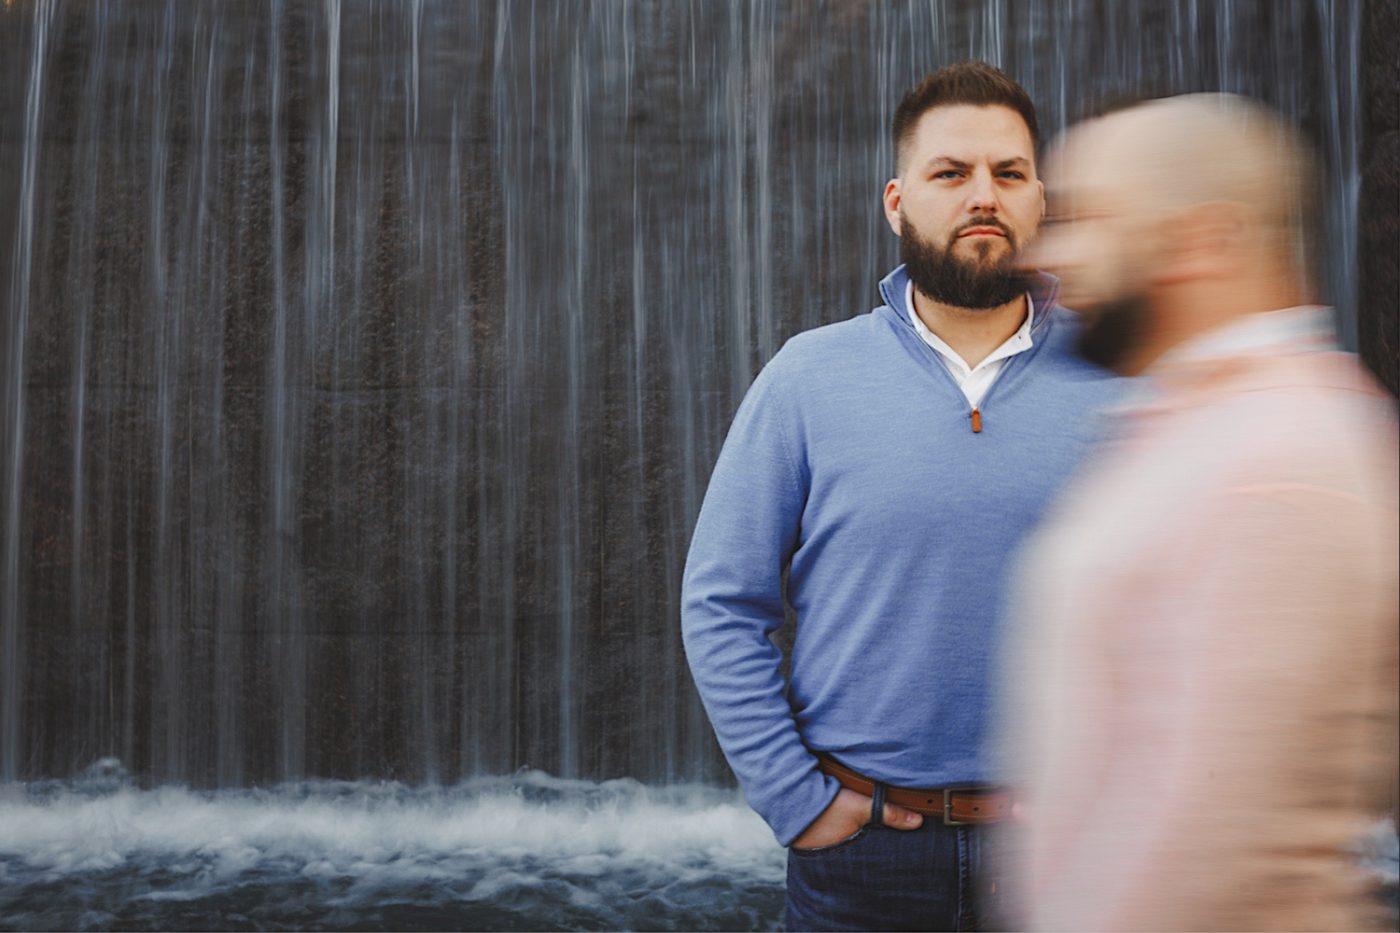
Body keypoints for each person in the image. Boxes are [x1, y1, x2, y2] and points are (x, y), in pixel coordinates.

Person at [680, 62, 1120, 930]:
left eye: (1010, 173)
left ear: (1042, 199)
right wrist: (796, 801)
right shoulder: (807, 378)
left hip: (1073, 845)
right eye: (950, 173)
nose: (982, 196)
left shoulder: (1121, 378)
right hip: (864, 852)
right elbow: (721, 601)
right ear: (896, 202)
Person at [998, 93, 1400, 931]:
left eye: (1090, 217)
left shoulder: (1280, 460)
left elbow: (1207, 846)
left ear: (1205, 240)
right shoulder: (1198, 425)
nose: (1045, 253)